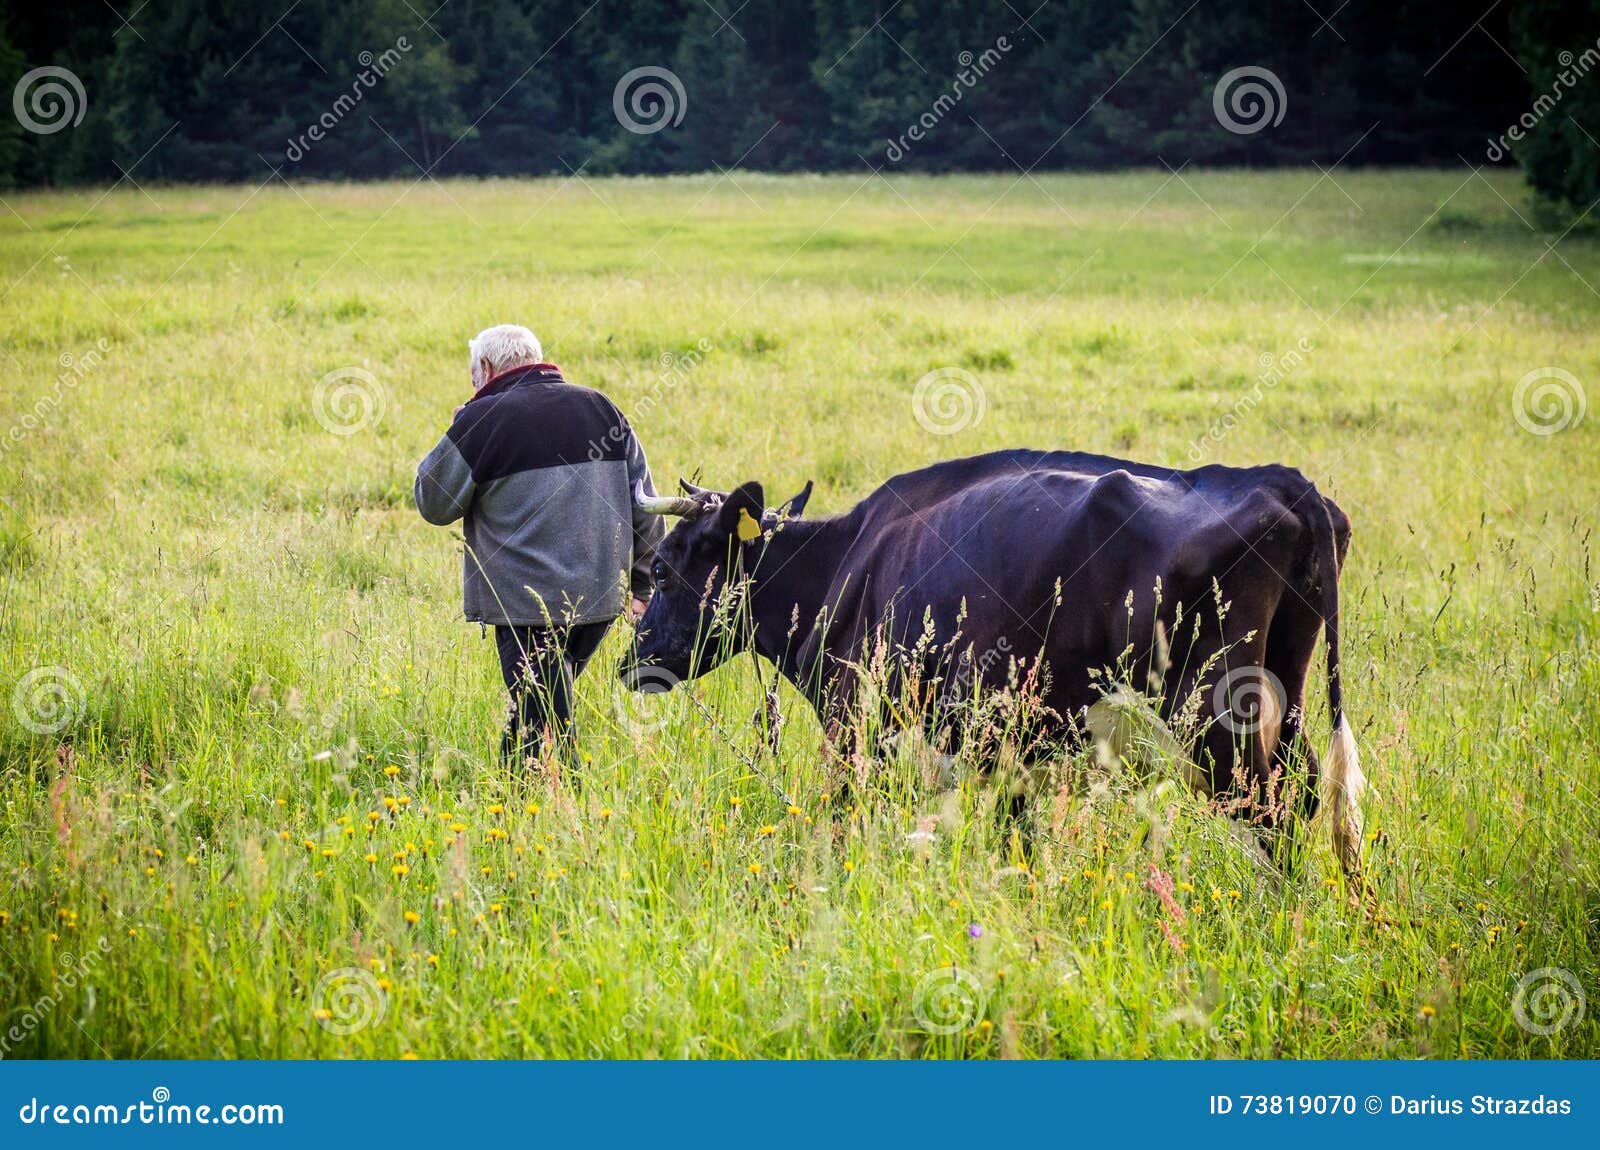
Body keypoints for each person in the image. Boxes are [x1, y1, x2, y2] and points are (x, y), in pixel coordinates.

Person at [414, 324, 663, 771]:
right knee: (539, 708)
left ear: (486, 368)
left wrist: (461, 426)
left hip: (526, 607)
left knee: (542, 720)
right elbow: (645, 504)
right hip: (600, 602)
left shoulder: (481, 419)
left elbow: (433, 504)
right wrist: (643, 587)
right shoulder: (602, 407)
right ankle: (519, 798)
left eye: (474, 377)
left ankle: (568, 798)